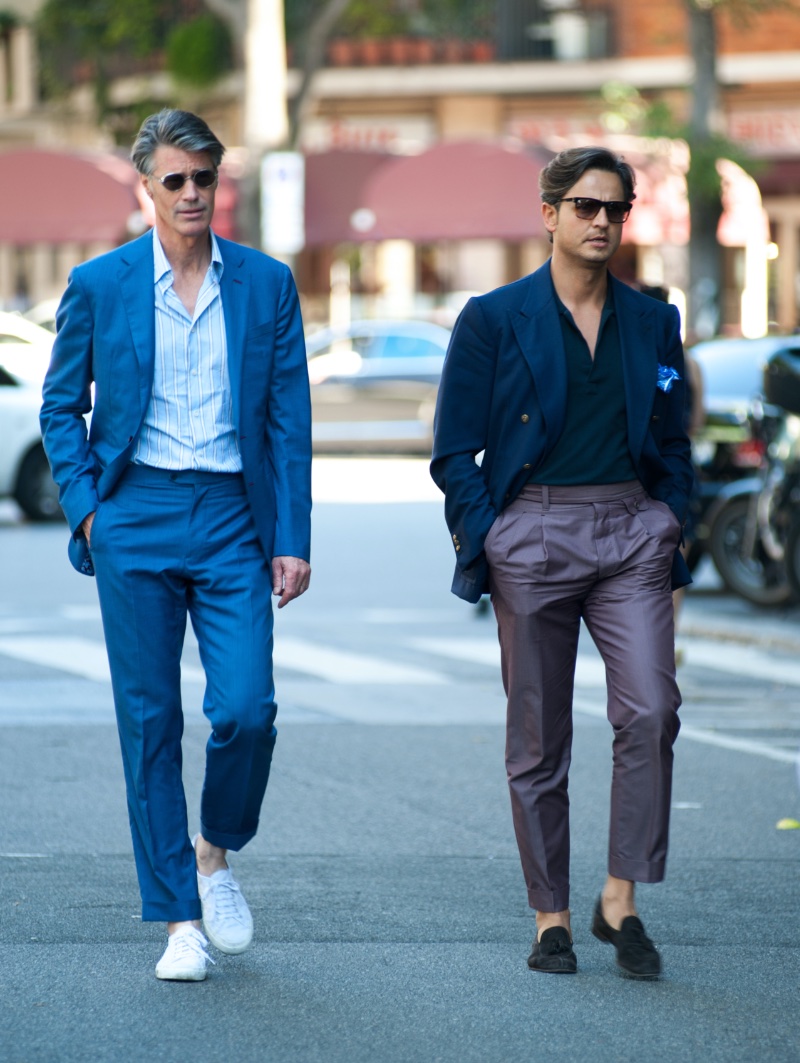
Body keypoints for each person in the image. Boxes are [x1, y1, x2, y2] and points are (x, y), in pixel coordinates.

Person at [40, 109, 312, 982]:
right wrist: (91, 514)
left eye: (205, 178)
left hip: (234, 514)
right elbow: (60, 407)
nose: (193, 194)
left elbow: (288, 420)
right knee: (151, 721)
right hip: (137, 514)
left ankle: (214, 851)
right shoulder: (101, 282)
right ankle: (178, 921)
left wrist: (292, 537)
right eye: (176, 180)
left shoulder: (267, 284)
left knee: (245, 709)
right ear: (145, 188)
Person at [431, 146, 694, 980]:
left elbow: (675, 440)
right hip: (533, 532)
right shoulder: (493, 316)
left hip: (630, 530)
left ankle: (620, 898)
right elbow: (452, 451)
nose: (602, 222)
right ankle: (552, 915)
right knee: (539, 739)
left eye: (615, 208)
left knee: (650, 711)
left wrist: (670, 518)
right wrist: (493, 534)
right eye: (585, 206)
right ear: (549, 214)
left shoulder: (652, 321)